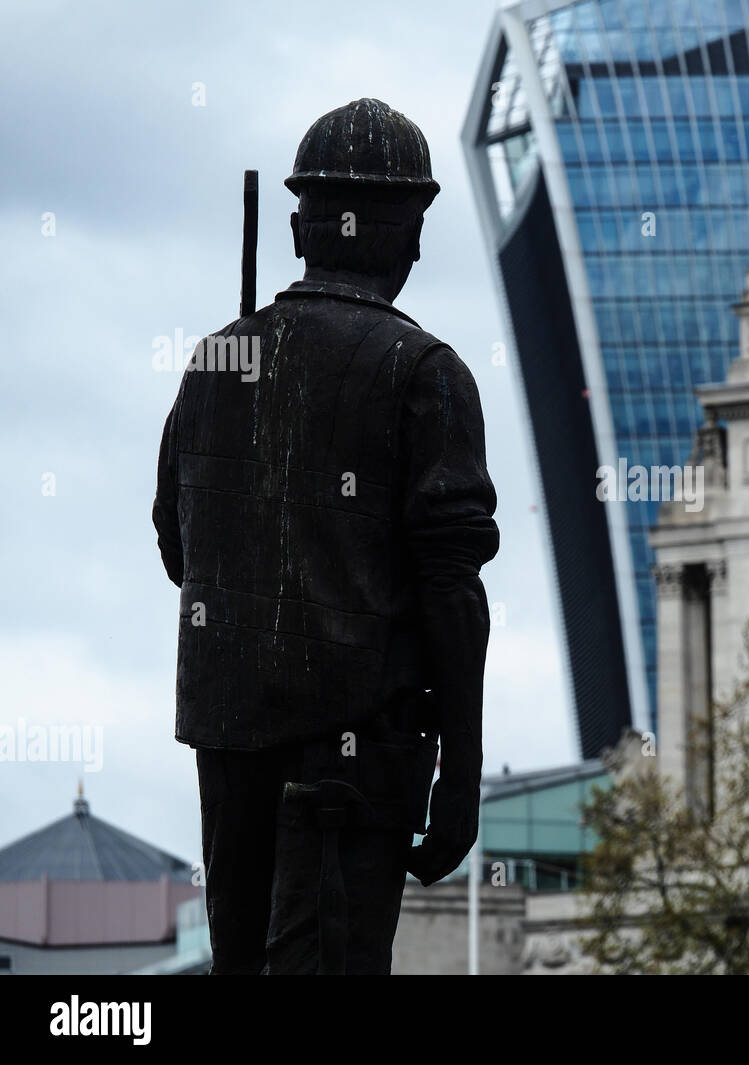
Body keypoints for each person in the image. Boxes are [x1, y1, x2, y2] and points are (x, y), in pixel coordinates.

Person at [151, 99, 499, 974]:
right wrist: (462, 771)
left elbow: (176, 544)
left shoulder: (214, 362)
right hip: (355, 758)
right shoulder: (427, 375)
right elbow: (452, 590)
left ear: (300, 227)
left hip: (231, 751)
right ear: (411, 239)